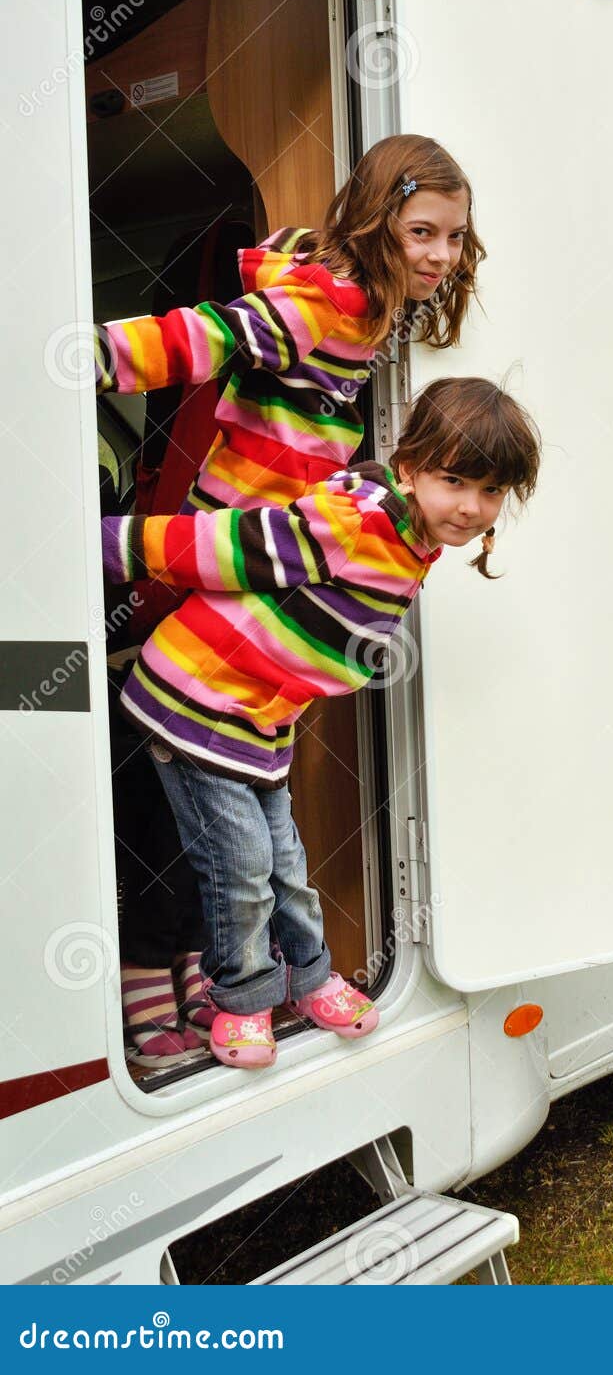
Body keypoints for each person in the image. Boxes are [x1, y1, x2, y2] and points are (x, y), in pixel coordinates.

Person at [94, 134, 487, 1067]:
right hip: (239, 550)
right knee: (214, 823)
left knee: (243, 827)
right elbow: (212, 337)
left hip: (262, 581)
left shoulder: (370, 313)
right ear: (378, 217)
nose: (438, 253)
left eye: (454, 237)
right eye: (421, 229)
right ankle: (196, 975)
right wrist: (87, 359)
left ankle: (219, 970)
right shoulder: (334, 301)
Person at [99, 378, 542, 1071]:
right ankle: (242, 1002)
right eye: (453, 480)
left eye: (490, 492)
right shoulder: (359, 523)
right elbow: (233, 546)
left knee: (285, 865)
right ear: (408, 467)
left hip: (257, 720)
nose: (470, 507)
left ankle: (306, 979)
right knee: (241, 866)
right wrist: (107, 546)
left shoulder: (413, 540)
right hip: (196, 700)